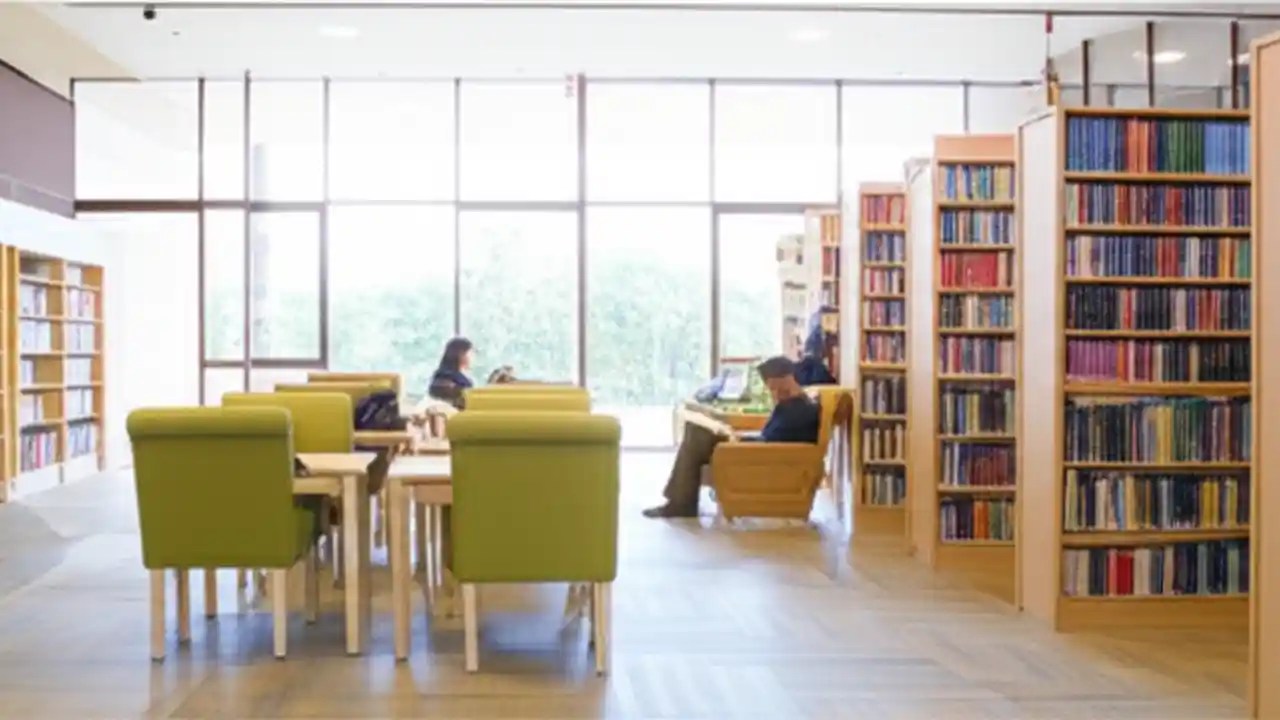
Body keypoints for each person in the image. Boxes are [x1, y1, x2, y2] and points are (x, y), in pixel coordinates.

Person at [643, 356, 821, 519]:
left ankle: (681, 504)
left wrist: (738, 440)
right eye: (770, 388)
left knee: (696, 434)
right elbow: (771, 436)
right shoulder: (791, 405)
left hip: (759, 457)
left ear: (786, 381)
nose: (773, 393)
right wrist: (739, 436)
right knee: (695, 430)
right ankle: (681, 502)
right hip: (758, 450)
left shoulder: (800, 410)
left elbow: (773, 443)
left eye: (774, 387)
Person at [428, 337, 475, 409]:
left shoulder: (439, 376)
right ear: (461, 354)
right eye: (471, 353)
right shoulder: (457, 382)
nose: (473, 357)